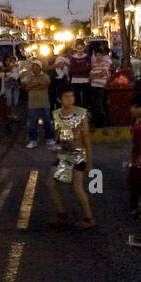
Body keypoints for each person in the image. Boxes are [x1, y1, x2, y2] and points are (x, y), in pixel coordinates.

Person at [49, 87, 96, 230]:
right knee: (50, 184)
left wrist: (89, 162)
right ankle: (61, 214)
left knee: (77, 187)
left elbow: (87, 139)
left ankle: (88, 218)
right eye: (66, 97)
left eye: (72, 96)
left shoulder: (81, 114)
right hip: (63, 153)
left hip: (78, 154)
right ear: (59, 99)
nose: (70, 100)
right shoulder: (56, 114)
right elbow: (56, 136)